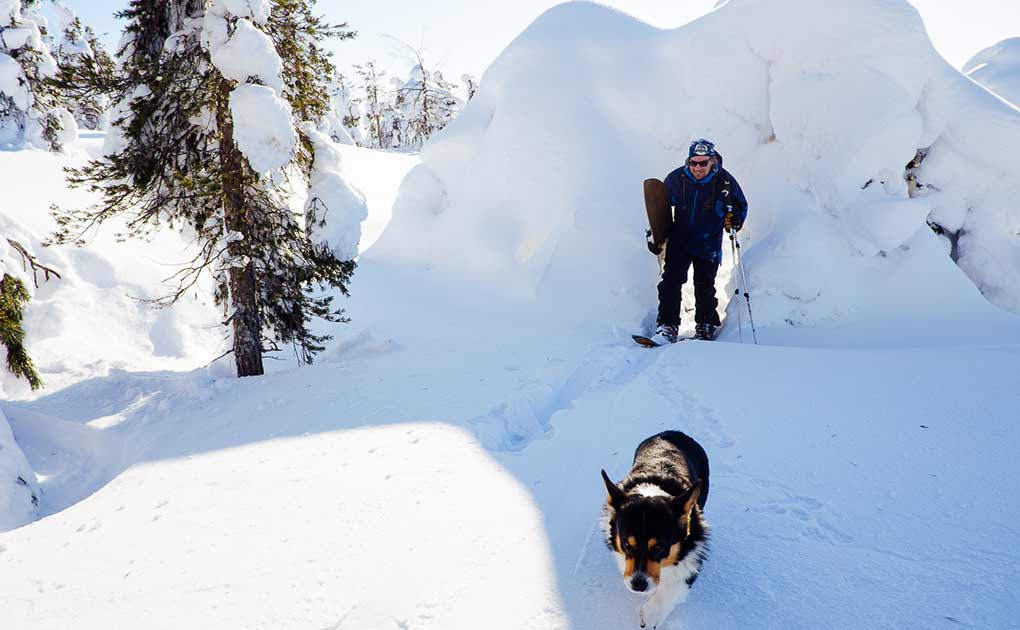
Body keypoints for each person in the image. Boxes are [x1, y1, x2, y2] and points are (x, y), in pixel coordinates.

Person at [649, 139, 748, 344]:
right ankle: (667, 326)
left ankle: (706, 325)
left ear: (712, 161)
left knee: (704, 285)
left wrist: (734, 221)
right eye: (693, 162)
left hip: (708, 241)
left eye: (703, 163)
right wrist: (656, 235)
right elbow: (661, 208)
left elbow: (741, 205)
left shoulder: (724, 182)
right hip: (680, 239)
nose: (697, 167)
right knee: (671, 282)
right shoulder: (677, 179)